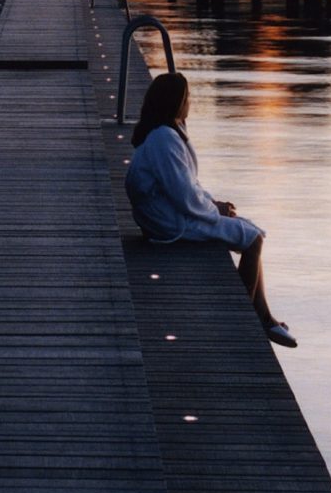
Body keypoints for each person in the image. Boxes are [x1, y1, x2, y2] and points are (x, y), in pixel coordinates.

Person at [124, 71, 294, 347]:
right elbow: (184, 195)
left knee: (248, 231)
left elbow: (187, 186)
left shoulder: (166, 134)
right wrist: (213, 211)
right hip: (168, 222)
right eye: (187, 97)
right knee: (252, 239)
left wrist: (215, 205)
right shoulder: (164, 139)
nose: (190, 102)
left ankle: (263, 316)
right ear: (175, 103)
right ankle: (245, 321)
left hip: (165, 214)